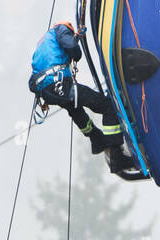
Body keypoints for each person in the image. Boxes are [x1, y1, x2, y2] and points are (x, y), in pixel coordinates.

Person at [29, 22, 134, 174]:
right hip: (58, 83)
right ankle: (116, 156)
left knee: (75, 109)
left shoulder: (44, 41)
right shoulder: (61, 29)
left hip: (46, 89)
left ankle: (96, 139)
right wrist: (76, 51)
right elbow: (72, 48)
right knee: (106, 106)